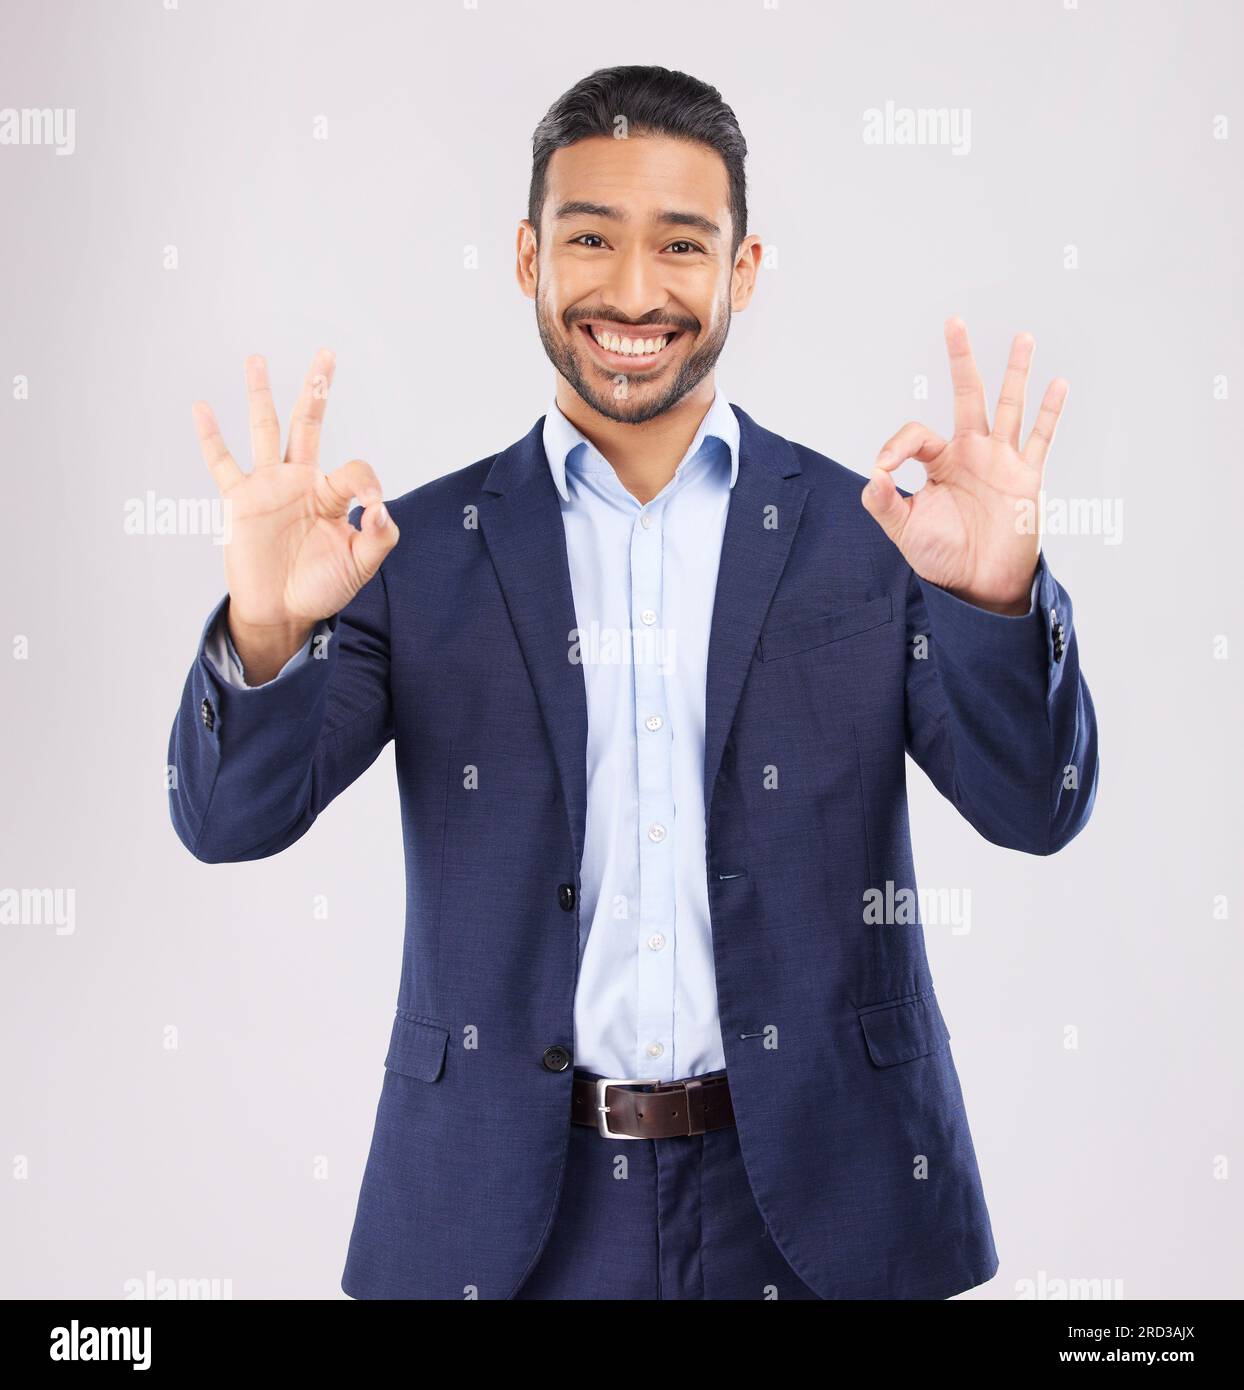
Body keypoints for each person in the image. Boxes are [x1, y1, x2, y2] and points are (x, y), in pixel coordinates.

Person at [168, 65, 1098, 1300]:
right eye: (589, 239)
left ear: (744, 271)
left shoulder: (874, 532)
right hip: (507, 1215)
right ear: (525, 259)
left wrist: (989, 600)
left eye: (681, 245)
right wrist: (267, 628)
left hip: (833, 1194)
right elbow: (228, 822)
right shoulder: (407, 552)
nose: (632, 292)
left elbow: (1034, 808)